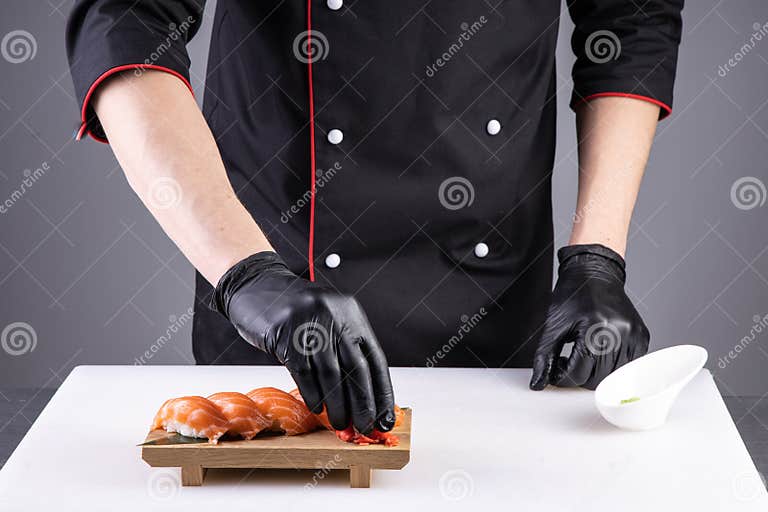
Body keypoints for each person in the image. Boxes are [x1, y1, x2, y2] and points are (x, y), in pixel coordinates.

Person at [66, 1, 684, 435]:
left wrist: (597, 256)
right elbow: (124, 18)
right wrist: (245, 272)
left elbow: (630, 18)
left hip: (490, 294)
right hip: (278, 279)